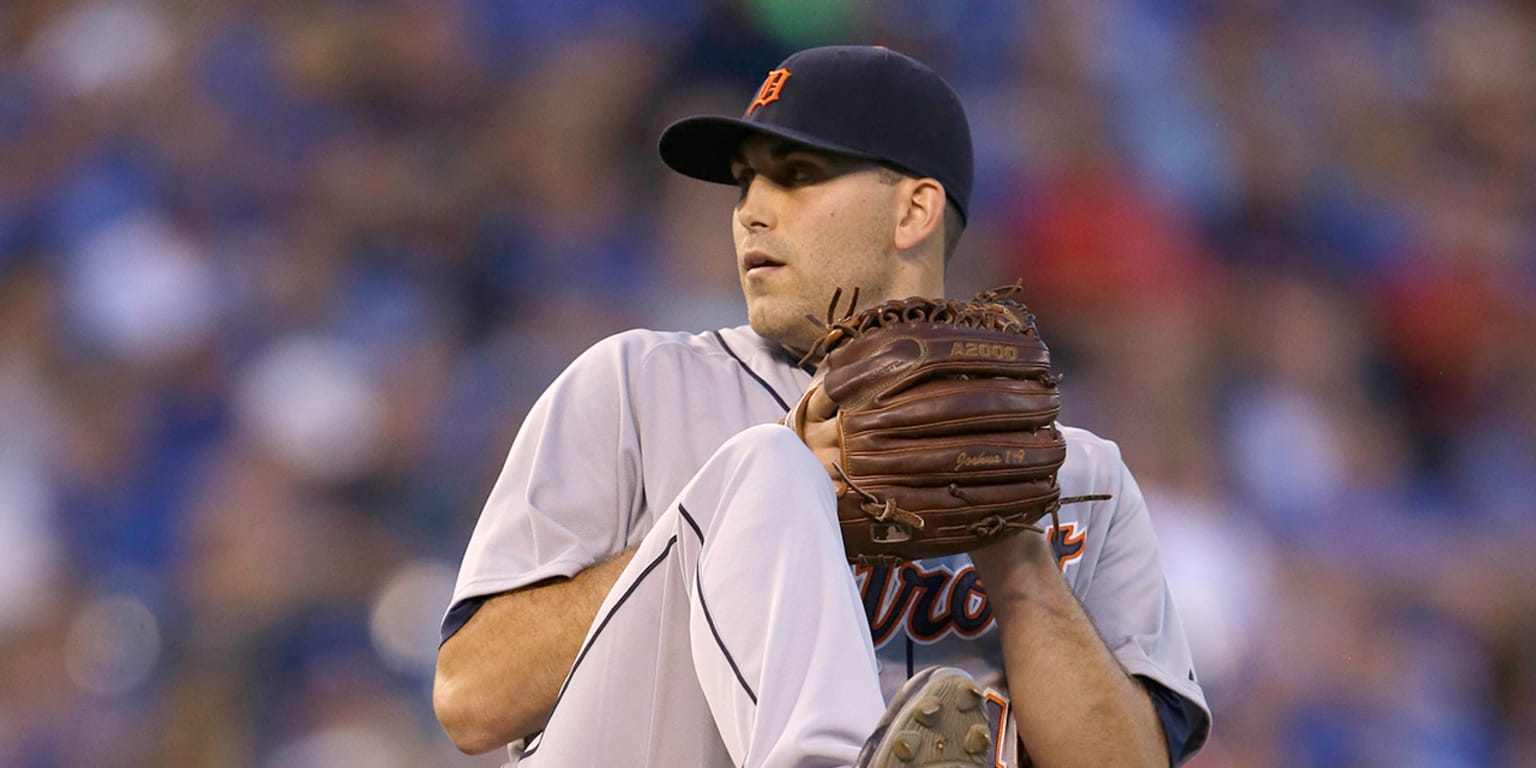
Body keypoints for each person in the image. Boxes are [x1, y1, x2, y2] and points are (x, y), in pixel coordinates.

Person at [433, 45, 1211, 767]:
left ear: (915, 212)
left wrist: (1014, 557)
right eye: (745, 183)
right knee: (766, 464)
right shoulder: (636, 385)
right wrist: (725, 529)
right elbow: (471, 702)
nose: (750, 213)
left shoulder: (1075, 474)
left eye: (797, 174)